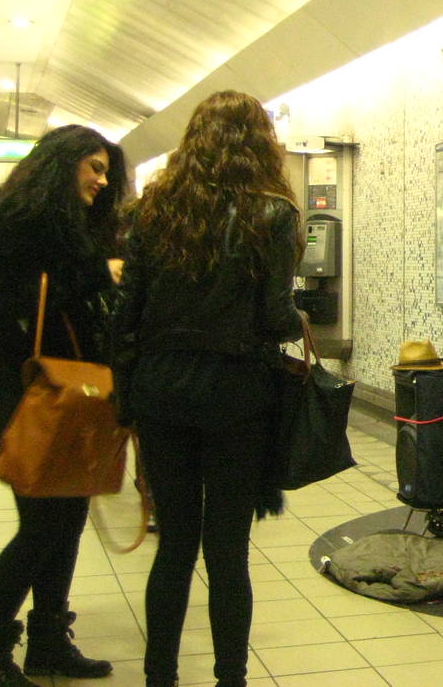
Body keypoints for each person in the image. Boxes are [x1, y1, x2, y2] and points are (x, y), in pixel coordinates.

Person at [112, 91, 303, 687]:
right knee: (227, 553)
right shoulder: (272, 213)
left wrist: (127, 401)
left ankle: (160, 677)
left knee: (173, 548)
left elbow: (128, 314)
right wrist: (290, 319)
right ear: (260, 145)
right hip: (237, 394)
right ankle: (230, 679)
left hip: (162, 390)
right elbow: (274, 317)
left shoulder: (151, 211)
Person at [0, 125, 126, 686]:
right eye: (94, 167)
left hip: (75, 394)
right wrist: (97, 274)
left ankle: (47, 641)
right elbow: (21, 307)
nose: (102, 180)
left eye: (106, 170)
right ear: (63, 165)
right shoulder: (22, 224)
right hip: (32, 395)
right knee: (40, 526)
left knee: (67, 523)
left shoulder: (72, 227)